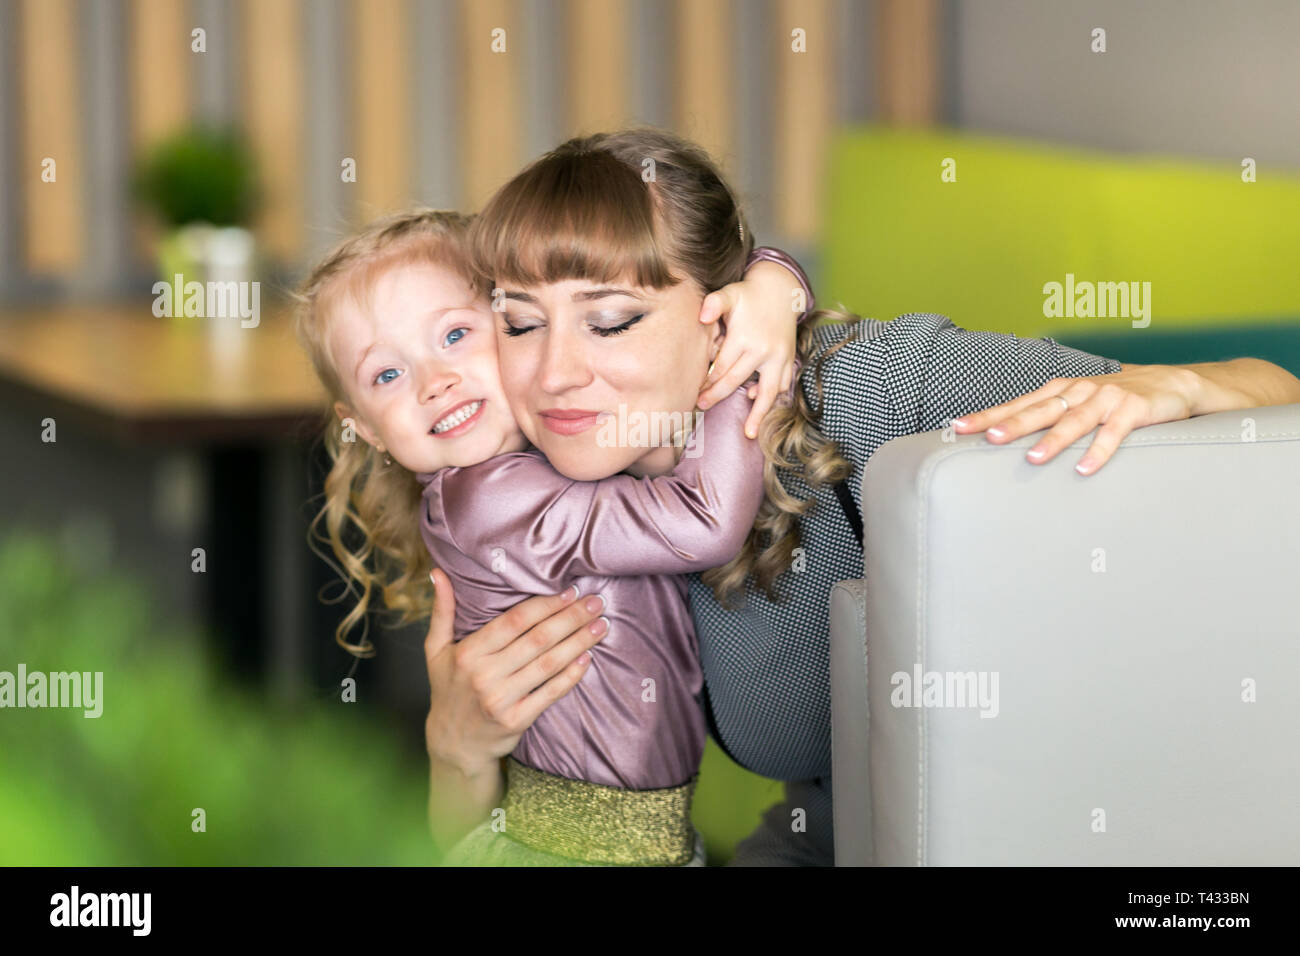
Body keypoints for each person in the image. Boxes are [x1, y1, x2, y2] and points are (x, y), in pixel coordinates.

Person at [426, 125, 1300, 865]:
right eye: (519, 320)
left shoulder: (868, 388)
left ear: (724, 314)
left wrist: (1182, 389)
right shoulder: (527, 505)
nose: (553, 372)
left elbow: (1274, 399)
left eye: (611, 319)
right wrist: (456, 759)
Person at [291, 207, 817, 864]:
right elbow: (704, 521)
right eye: (387, 375)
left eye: (455, 335)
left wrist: (769, 278)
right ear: (364, 427)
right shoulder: (488, 499)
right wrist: (745, 357)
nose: (435, 381)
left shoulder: (550, 458)